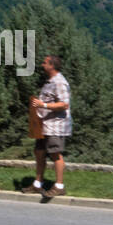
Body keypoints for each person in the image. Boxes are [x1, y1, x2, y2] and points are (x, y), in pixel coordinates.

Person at [22, 55, 71, 198]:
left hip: (56, 125)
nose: (42, 65)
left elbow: (64, 104)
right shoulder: (49, 82)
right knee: (39, 152)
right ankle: (38, 184)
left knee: (55, 153)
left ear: (52, 66)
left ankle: (59, 186)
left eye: (45, 63)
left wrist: (43, 105)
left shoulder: (60, 83)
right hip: (44, 125)